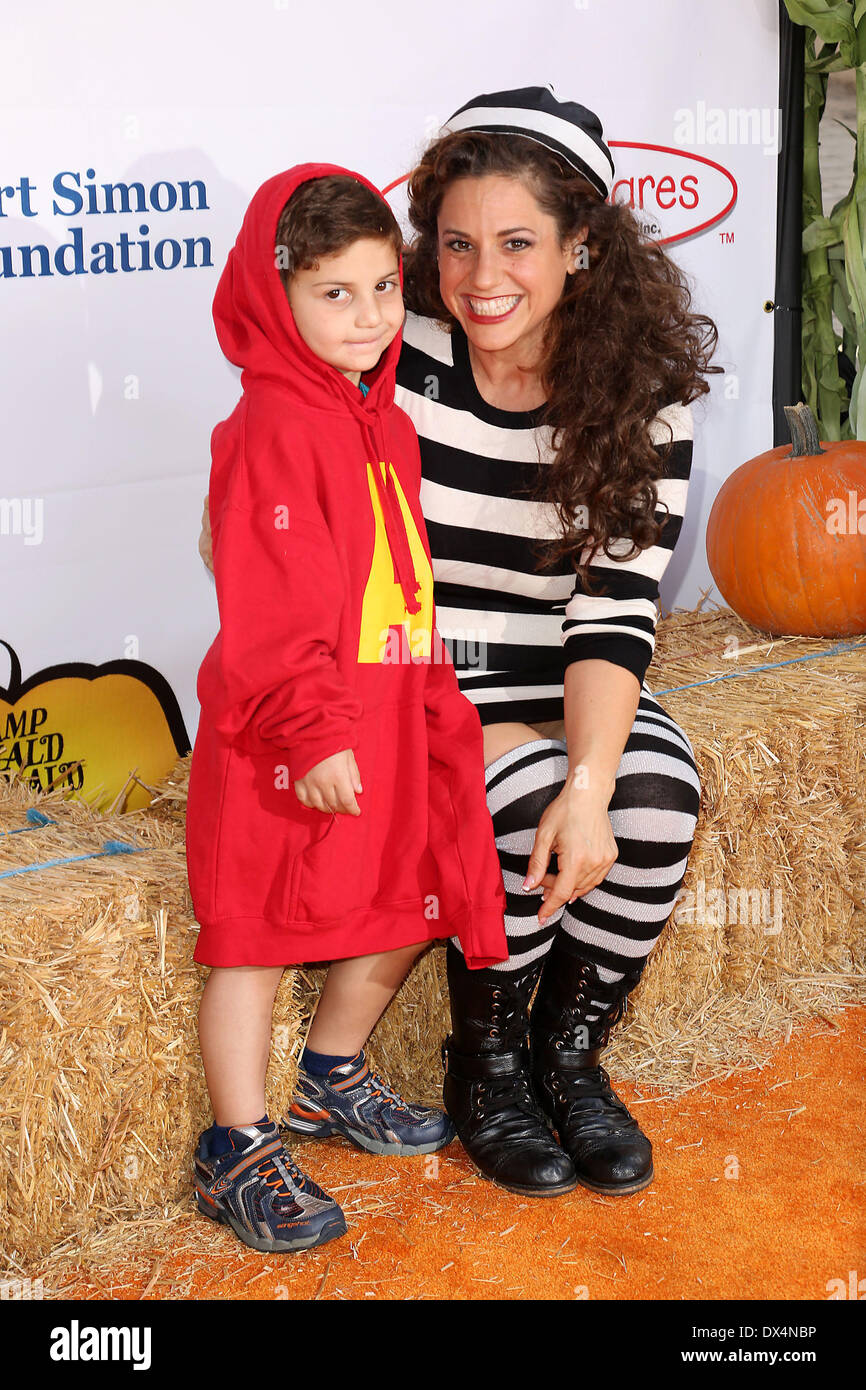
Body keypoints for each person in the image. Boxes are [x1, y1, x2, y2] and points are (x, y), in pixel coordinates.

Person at [200, 86, 720, 1201]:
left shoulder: (643, 390)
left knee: (651, 795)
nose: (483, 276)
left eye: (520, 244)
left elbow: (615, 607)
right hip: (421, 680)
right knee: (527, 795)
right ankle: (483, 1066)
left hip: (559, 662)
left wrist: (591, 775)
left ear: (582, 247)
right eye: (455, 245)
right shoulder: (392, 345)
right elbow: (275, 513)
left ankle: (563, 1057)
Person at [186, 162, 509, 1255]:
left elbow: (402, 579)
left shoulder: (384, 422)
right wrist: (312, 728)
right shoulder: (270, 426)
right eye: (336, 293)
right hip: (289, 737)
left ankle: (330, 1074)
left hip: (383, 714)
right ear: (273, 293)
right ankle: (236, 1141)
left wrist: (425, 702)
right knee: (256, 936)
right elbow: (271, 600)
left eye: (384, 287)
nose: (369, 317)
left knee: (403, 899)